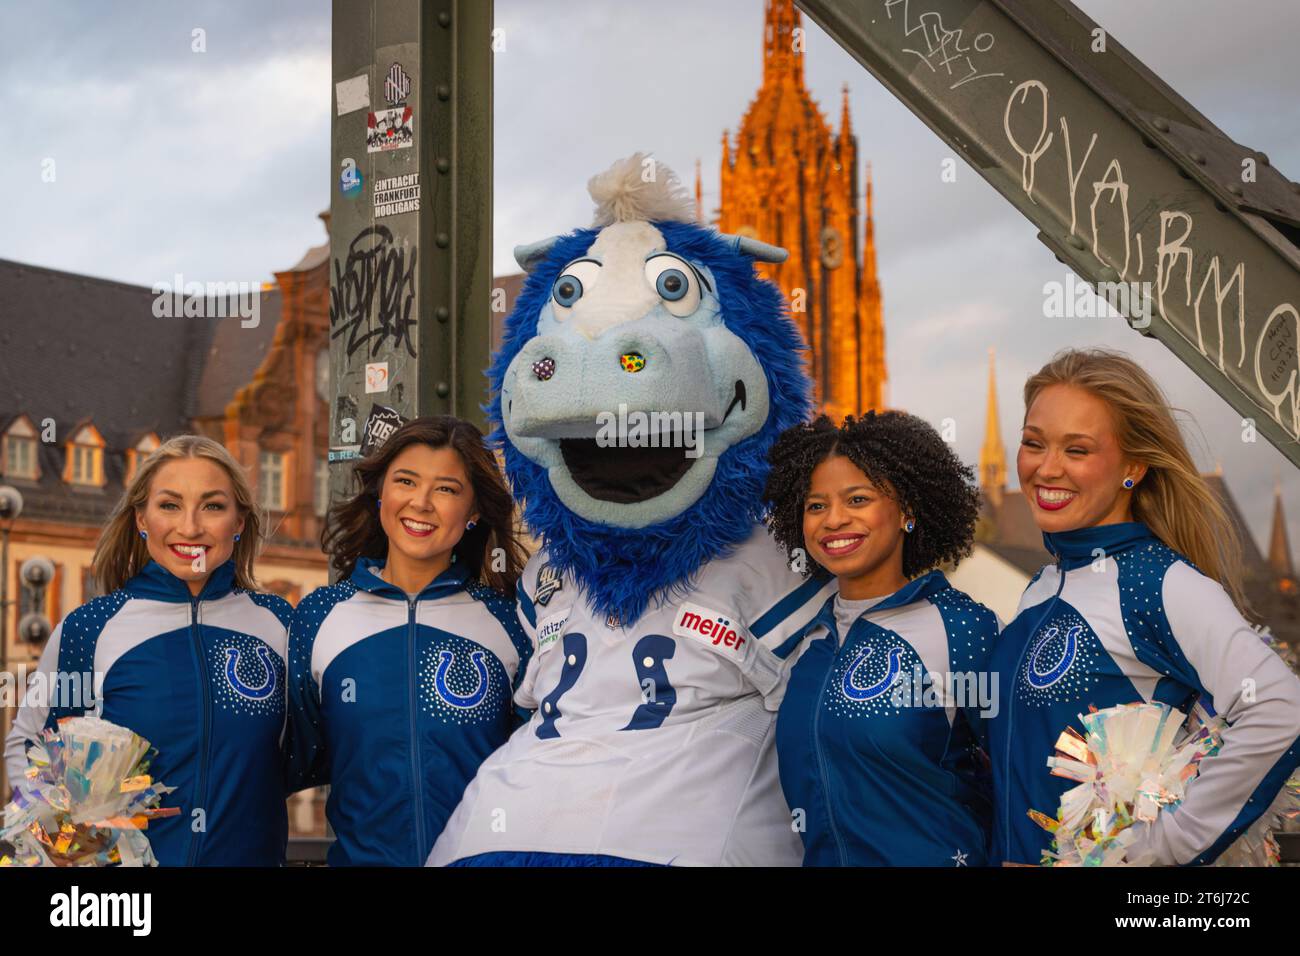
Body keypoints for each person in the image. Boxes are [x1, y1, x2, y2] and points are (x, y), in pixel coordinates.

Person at [990, 347, 1300, 865]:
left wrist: (1154, 850)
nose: (1046, 468)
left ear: (1132, 466)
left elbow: (1278, 708)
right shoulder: (1041, 588)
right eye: (1033, 443)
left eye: (1078, 450)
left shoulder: (1157, 581)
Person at [3, 435, 291, 866]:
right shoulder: (90, 629)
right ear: (141, 518)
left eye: (212, 506)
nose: (190, 527)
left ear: (240, 522)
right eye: (169, 505)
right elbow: (28, 744)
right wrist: (64, 839)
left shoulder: (279, 624)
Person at [283, 416, 530, 866]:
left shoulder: (509, 621)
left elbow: (538, 768)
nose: (421, 502)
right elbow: (285, 760)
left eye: (447, 489)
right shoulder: (320, 617)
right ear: (382, 493)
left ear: (473, 512)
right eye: (406, 481)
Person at [765, 412, 1000, 865]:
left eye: (857, 499)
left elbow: (1024, 768)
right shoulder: (807, 641)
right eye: (816, 505)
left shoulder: (961, 629)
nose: (833, 520)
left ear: (907, 510)